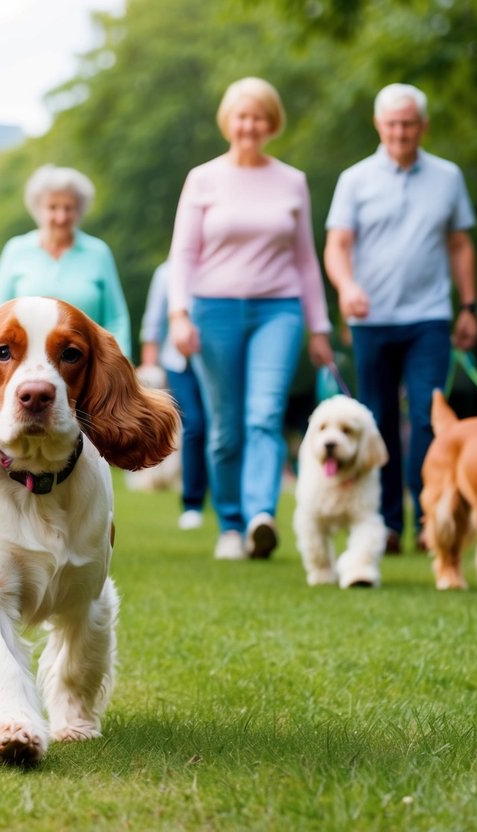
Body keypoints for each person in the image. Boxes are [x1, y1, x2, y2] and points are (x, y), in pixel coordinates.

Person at [168, 76, 334, 561]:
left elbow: (306, 260)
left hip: (278, 310)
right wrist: (178, 315)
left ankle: (261, 514)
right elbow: (184, 253)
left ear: (271, 123)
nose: (250, 125)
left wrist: (319, 327)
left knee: (265, 415)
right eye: (242, 116)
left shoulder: (292, 181)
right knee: (225, 427)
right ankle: (231, 525)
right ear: (228, 121)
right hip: (213, 308)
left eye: (259, 116)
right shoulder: (203, 179)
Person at [323, 83, 477, 555]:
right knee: (379, 421)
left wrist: (469, 306)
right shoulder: (355, 179)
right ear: (379, 124)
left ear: (422, 126)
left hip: (429, 317)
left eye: (409, 124)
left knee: (430, 418)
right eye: (392, 124)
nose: (400, 132)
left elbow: (460, 245)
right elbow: (338, 245)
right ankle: (388, 523)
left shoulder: (448, 177)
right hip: (371, 321)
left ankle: (432, 519)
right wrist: (347, 287)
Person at [0, 164, 131, 359]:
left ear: (79, 210)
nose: (61, 217)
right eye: (53, 207)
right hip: (26, 363)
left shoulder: (98, 252)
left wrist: (121, 364)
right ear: (39, 209)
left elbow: (116, 319)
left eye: (68, 208)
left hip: (85, 364)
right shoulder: (16, 250)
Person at [139, 261, 208, 530]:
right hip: (179, 363)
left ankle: (223, 496)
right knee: (195, 426)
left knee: (219, 429)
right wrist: (149, 367)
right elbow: (154, 322)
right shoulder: (166, 272)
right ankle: (192, 502)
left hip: (218, 361)